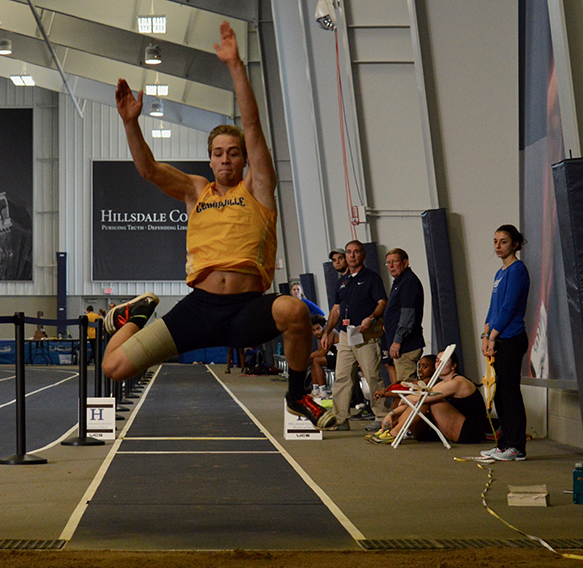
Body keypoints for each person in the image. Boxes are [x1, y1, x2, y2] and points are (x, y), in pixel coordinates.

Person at [101, 22, 335, 430]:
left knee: (294, 311)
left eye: (232, 153)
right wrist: (129, 123)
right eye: (218, 154)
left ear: (244, 159)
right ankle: (133, 318)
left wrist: (235, 67)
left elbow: (254, 126)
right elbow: (149, 170)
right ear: (209, 160)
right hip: (200, 308)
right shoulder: (197, 191)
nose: (225, 159)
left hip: (245, 309)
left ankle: (297, 396)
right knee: (113, 367)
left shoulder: (258, 188)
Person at [322, 240, 388, 431]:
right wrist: (327, 331)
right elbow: (336, 310)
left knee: (372, 376)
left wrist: (371, 318)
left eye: (356, 252)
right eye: (349, 252)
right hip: (345, 335)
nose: (352, 255)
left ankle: (381, 415)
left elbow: (382, 302)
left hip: (365, 334)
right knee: (342, 377)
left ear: (363, 255)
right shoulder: (342, 282)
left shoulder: (371, 278)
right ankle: (340, 418)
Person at [480, 224, 530, 461]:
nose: (498, 246)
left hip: (511, 338)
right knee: (499, 393)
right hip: (497, 338)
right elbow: (494, 307)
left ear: (515, 244)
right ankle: (504, 443)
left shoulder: (518, 270)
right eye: (495, 241)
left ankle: (517, 447)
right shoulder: (500, 273)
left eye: (503, 242)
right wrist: (485, 334)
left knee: (510, 392)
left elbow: (509, 307)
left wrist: (493, 336)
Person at [367, 350, 487, 445]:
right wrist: (391, 414)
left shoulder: (458, 381)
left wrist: (405, 400)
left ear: (453, 366)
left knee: (426, 400)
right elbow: (418, 398)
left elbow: (421, 398)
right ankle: (389, 430)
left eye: (443, 362)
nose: (438, 364)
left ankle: (394, 433)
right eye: (437, 361)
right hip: (458, 427)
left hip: (470, 433)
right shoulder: (442, 383)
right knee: (423, 399)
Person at [382, 248, 425, 385]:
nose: (391, 266)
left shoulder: (408, 282)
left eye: (395, 261)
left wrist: (397, 341)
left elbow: (408, 315)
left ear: (405, 263)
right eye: (388, 263)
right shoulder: (400, 281)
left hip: (407, 345)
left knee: (408, 386)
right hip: (401, 344)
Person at [310, 315, 339, 401]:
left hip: (345, 359)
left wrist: (305, 358)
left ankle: (323, 392)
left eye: (318, 329)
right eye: (314, 330)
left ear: (324, 327)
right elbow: (319, 352)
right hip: (338, 358)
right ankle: (316, 390)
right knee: (313, 360)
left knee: (317, 361)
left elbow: (323, 352)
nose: (316, 332)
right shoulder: (321, 336)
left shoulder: (330, 333)